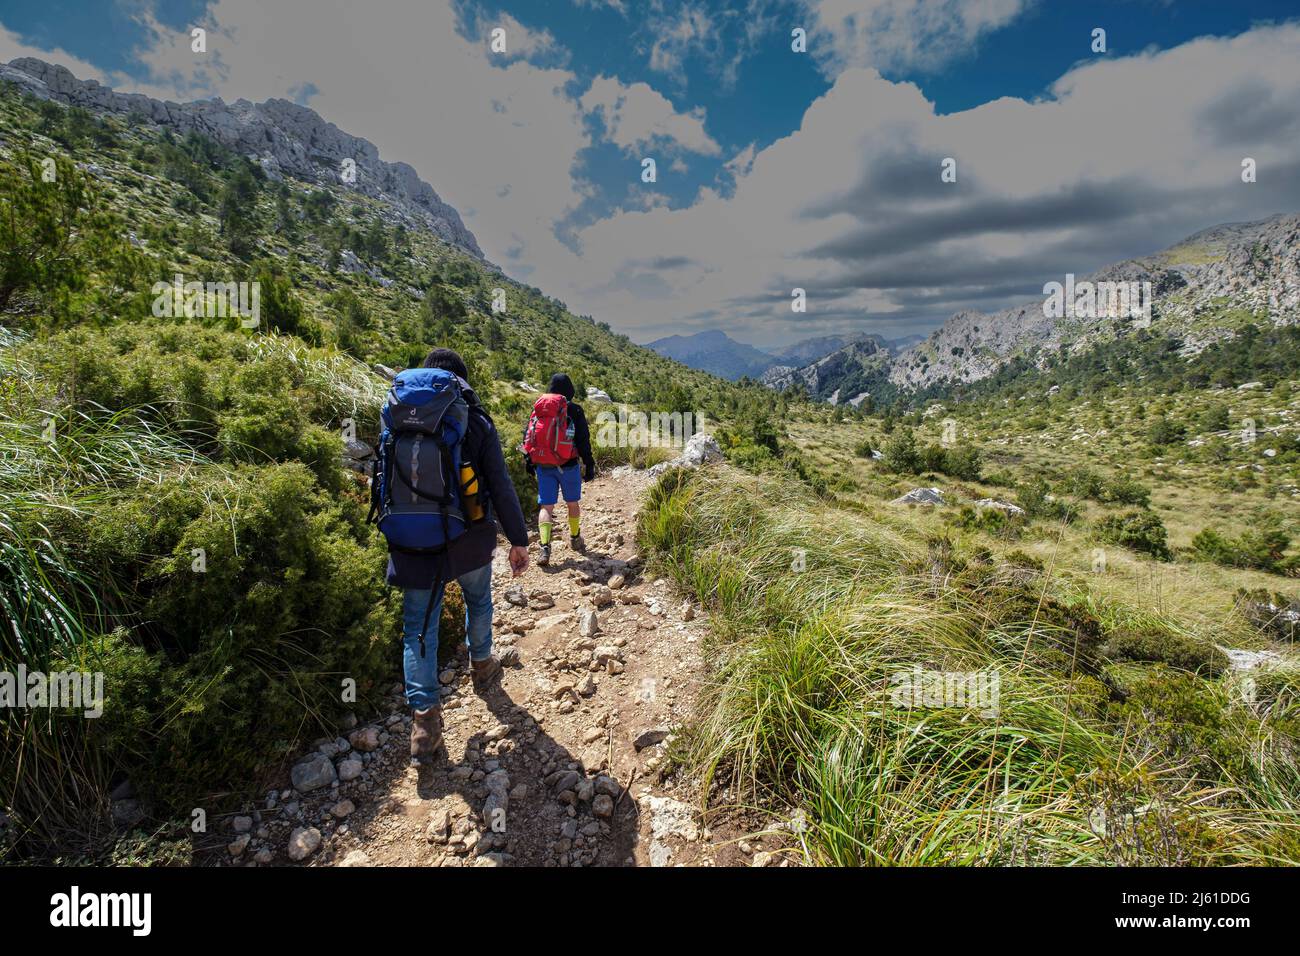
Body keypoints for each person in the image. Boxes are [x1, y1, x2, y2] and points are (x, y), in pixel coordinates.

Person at [386, 348, 530, 764]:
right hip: (469, 537)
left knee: (418, 627)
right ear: (461, 380)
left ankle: (425, 721)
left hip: (412, 541)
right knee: (478, 599)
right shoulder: (475, 419)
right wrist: (517, 540)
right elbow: (500, 484)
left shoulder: (396, 416)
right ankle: (482, 665)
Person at [524, 373, 596, 566]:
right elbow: (583, 440)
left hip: (543, 465)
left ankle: (545, 547)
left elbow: (529, 436)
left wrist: (529, 462)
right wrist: (589, 464)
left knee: (546, 507)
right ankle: (574, 537)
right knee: (572, 503)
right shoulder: (574, 410)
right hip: (569, 465)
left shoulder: (539, 408)